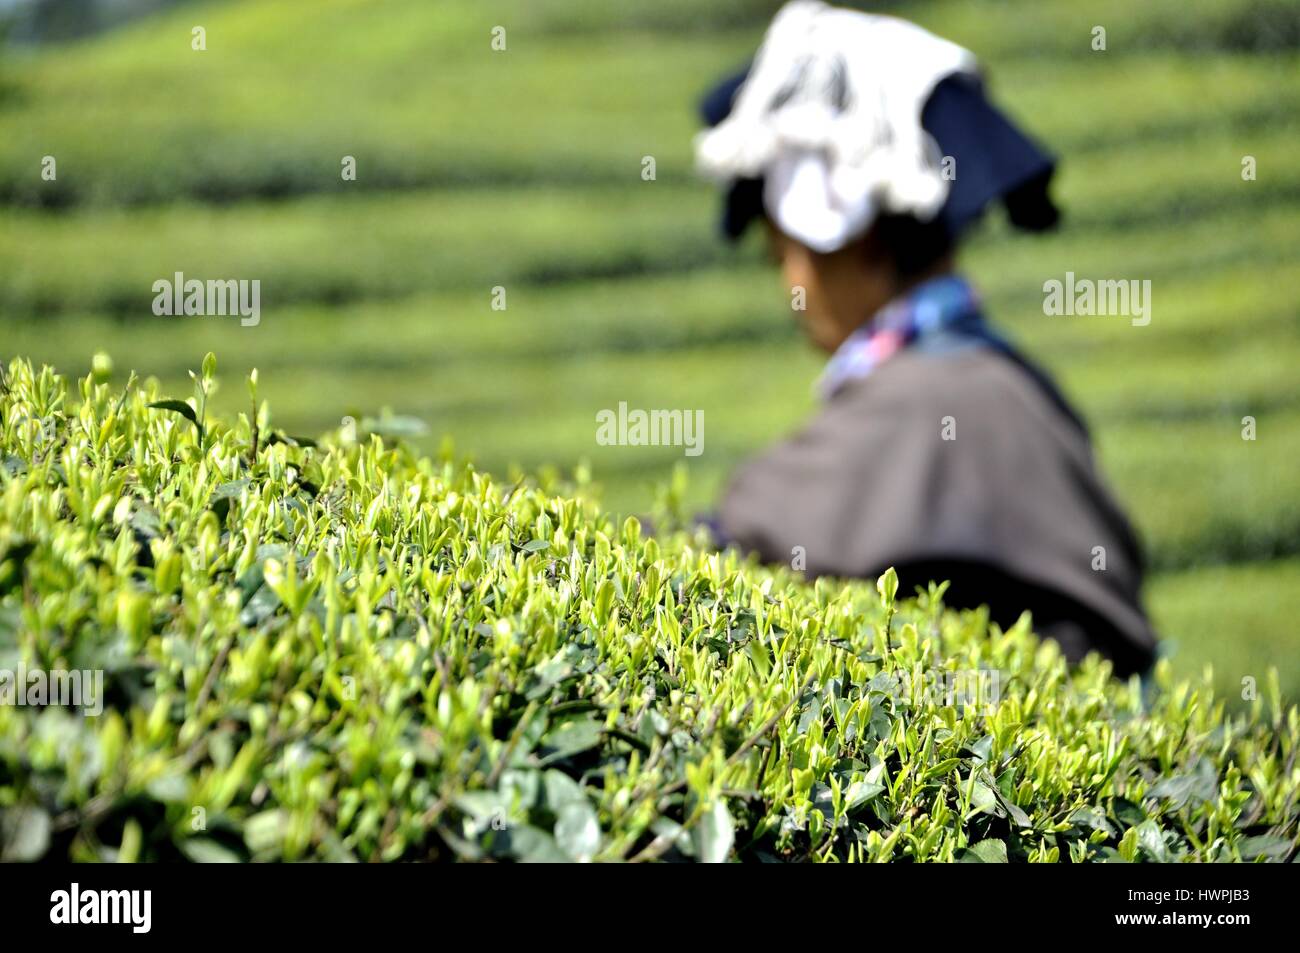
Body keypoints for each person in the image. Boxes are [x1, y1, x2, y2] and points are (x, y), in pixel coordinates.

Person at [695, 1, 1157, 677]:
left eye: (784, 254)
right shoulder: (996, 374)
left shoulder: (937, 398)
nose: (788, 285)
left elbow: (742, 532)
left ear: (867, 244)